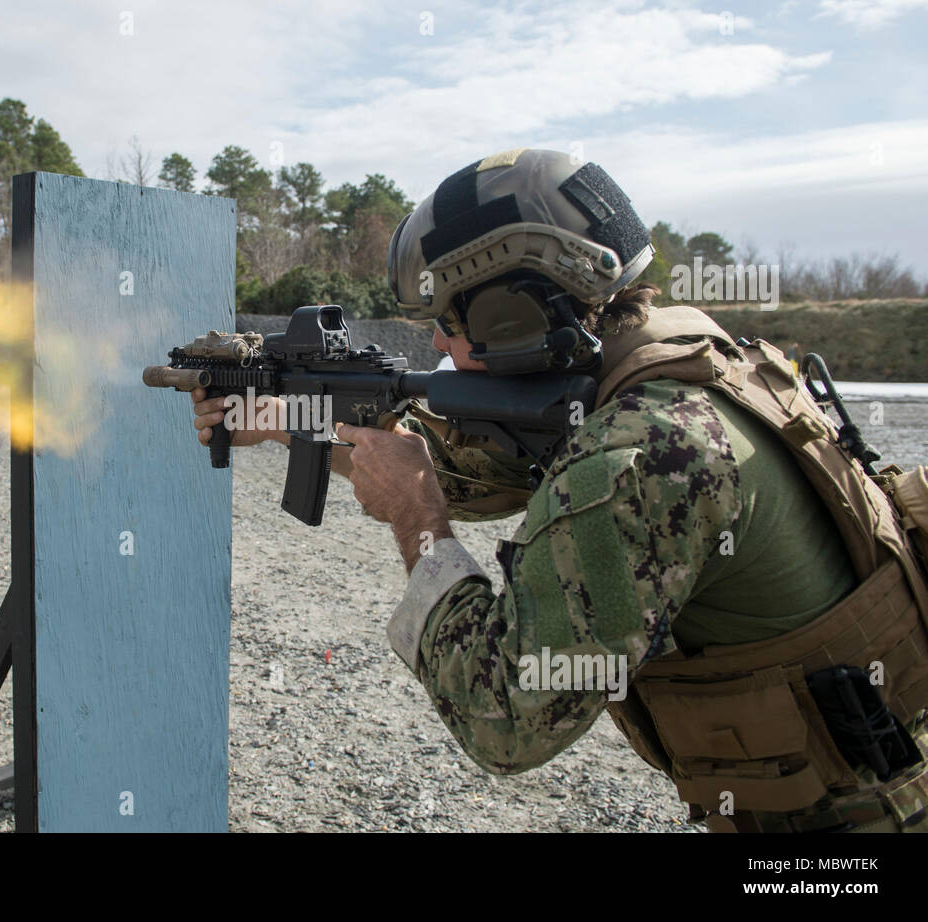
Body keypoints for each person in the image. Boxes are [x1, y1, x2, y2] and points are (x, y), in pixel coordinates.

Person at [189, 148, 928, 833]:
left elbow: (504, 716)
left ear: (514, 317)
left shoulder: (642, 456)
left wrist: (417, 519)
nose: (438, 347)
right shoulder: (664, 364)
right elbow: (479, 470)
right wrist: (296, 421)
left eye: (448, 323)